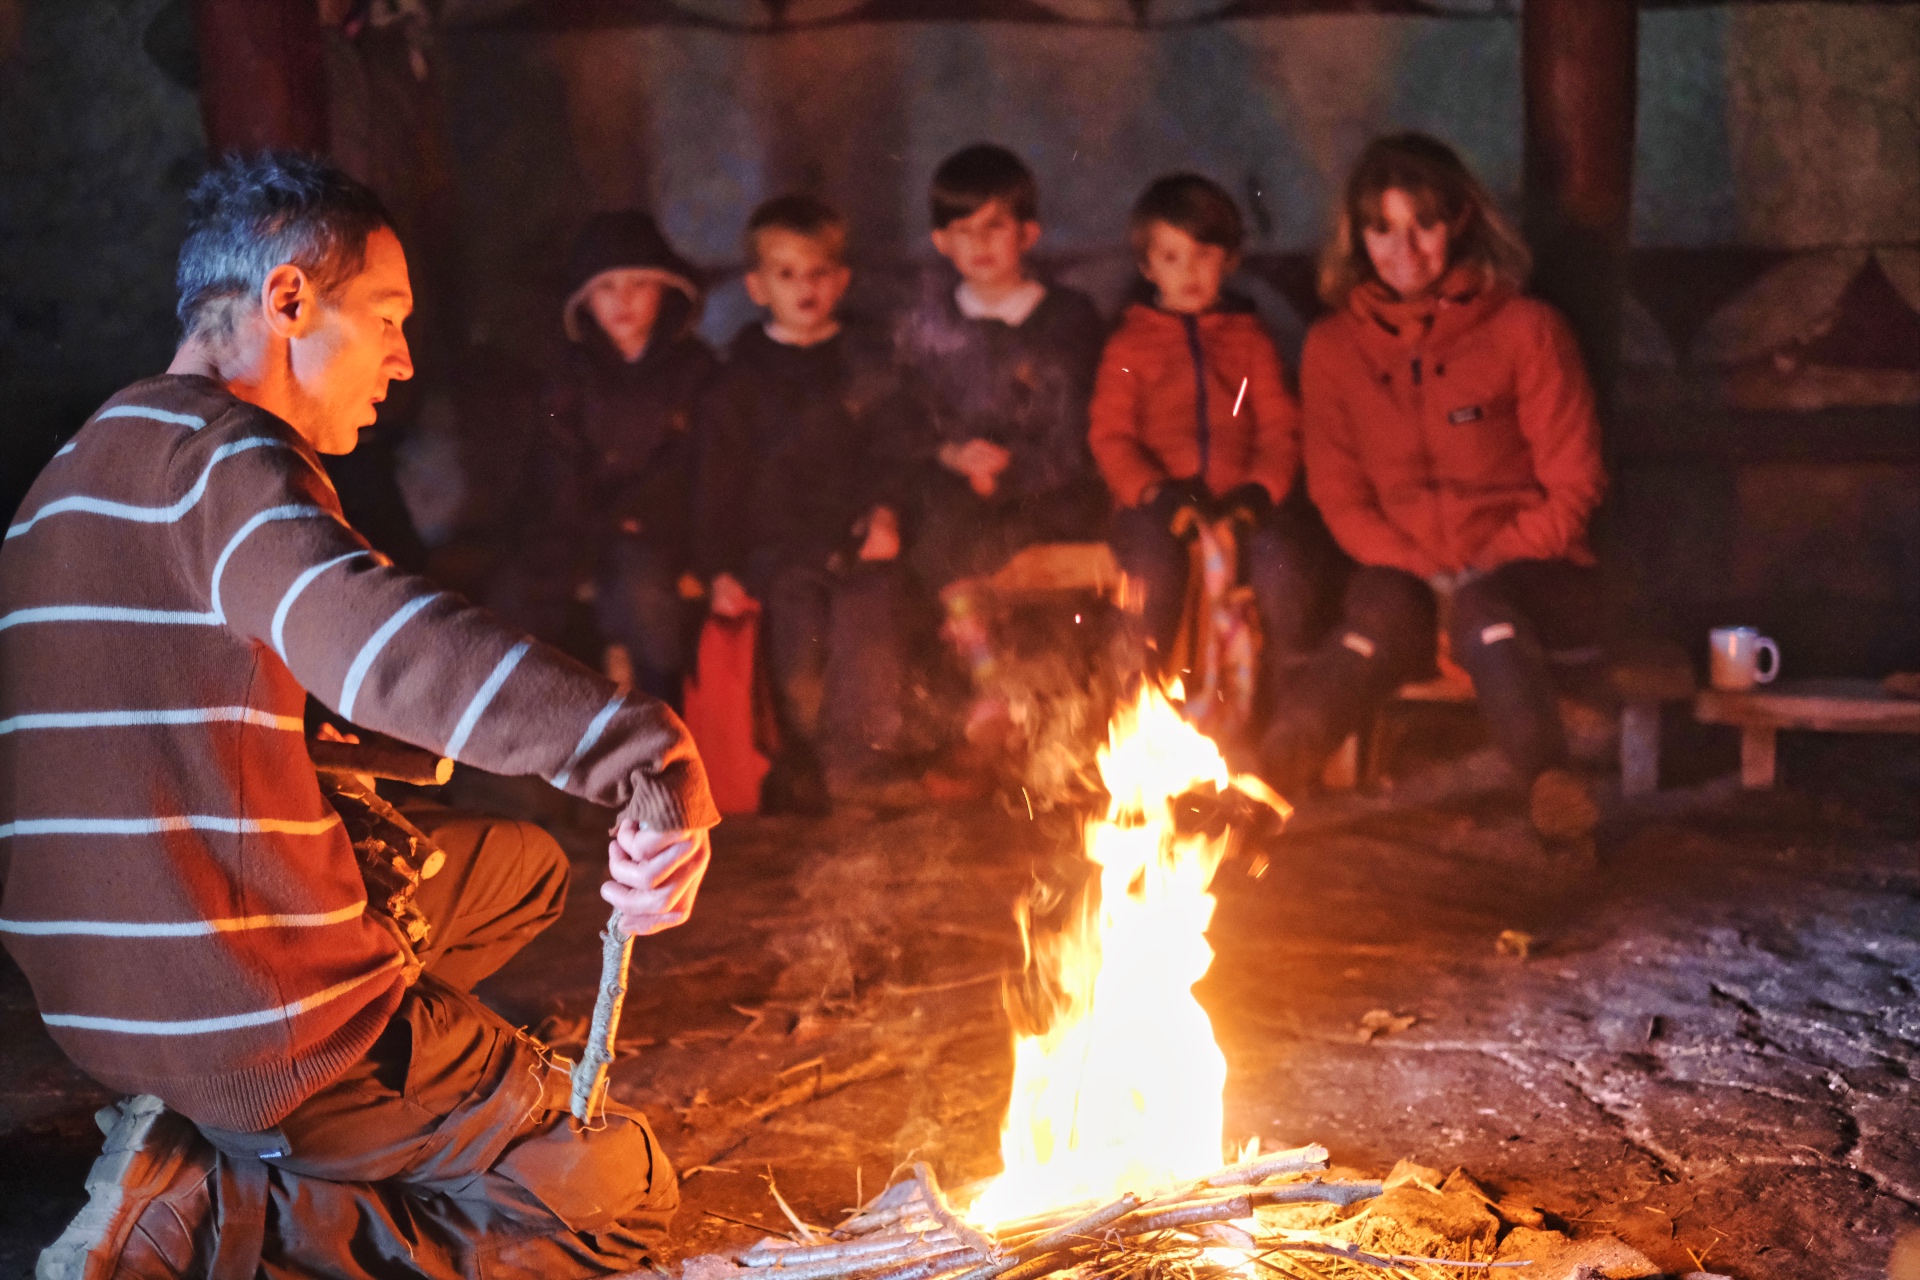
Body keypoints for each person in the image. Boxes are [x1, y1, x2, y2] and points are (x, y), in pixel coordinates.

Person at [2, 153, 719, 1279]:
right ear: (288, 301)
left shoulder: (68, 479)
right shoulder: (226, 457)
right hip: (247, 1018)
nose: (402, 356)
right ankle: (225, 1209)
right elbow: (382, 641)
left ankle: (203, 1137)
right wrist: (641, 749)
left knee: (524, 870)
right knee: (616, 1190)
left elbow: (182, 699)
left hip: (103, 1004)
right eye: (385, 314)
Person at [1263, 132, 1607, 840]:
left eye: (1424, 223)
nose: (1405, 248)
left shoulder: (1526, 330)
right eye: (1382, 227)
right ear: (1358, 238)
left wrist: (1480, 568)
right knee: (1374, 621)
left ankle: (1554, 798)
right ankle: (1254, 795)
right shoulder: (1333, 349)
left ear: (1459, 222)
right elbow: (1339, 494)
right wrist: (1428, 573)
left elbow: (1574, 485)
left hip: (1525, 570)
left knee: (1487, 614)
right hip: (1403, 574)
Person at [693, 195, 914, 809]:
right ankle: (806, 762)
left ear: (840, 280)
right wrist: (719, 567)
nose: (805, 288)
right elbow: (719, 476)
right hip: (781, 547)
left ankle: (858, 774)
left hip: (856, 536)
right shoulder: (741, 374)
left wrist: (887, 511)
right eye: (786, 274)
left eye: (818, 272)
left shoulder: (864, 363)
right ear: (758, 287)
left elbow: (895, 449)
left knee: (868, 633)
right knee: (799, 659)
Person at [890, 143, 1108, 742]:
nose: (980, 244)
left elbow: (1078, 425)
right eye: (962, 230)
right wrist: (952, 455)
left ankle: (1055, 718)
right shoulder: (926, 324)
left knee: (1028, 546)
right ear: (940, 242)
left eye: (996, 227)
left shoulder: (1067, 319)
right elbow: (906, 417)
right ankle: (987, 687)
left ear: (1029, 233)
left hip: (1046, 485)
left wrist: (1012, 472)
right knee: (943, 537)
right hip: (958, 488)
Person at [1089, 173, 1317, 743]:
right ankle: (1127, 716)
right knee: (1152, 575)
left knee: (1284, 570)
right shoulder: (1129, 346)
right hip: (1157, 505)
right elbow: (1111, 437)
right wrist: (1155, 492)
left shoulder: (1249, 340)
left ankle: (1287, 723)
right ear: (1147, 267)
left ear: (1230, 260)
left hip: (1243, 502)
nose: (1188, 273)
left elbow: (1280, 427)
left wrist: (1258, 492)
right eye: (1171, 257)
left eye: (1203, 255)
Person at [488, 210, 714, 706]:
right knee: (522, 589)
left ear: (668, 291)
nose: (623, 300)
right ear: (585, 300)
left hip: (655, 530)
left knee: (644, 596)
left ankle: (662, 717)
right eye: (607, 287)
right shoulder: (572, 374)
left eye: (639, 284)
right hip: (581, 521)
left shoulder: (694, 370)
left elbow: (698, 465)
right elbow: (556, 460)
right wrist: (564, 525)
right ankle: (523, 727)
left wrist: (648, 517)